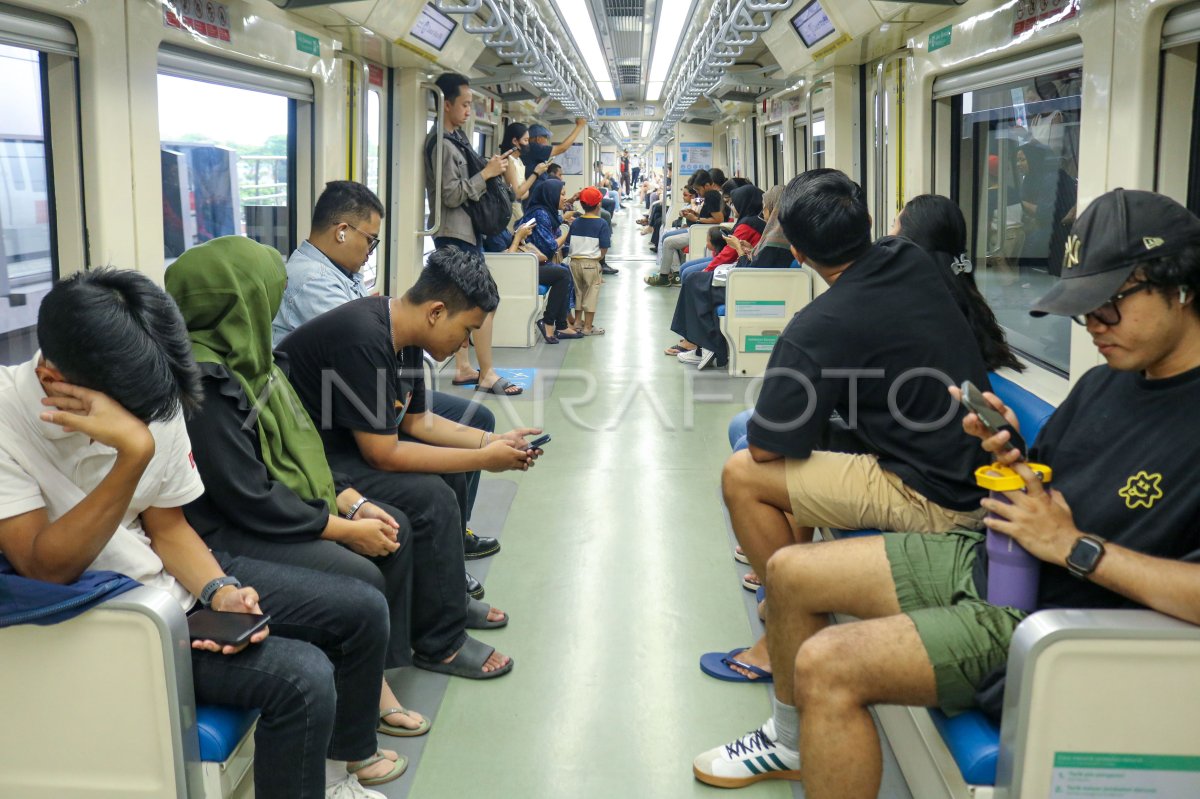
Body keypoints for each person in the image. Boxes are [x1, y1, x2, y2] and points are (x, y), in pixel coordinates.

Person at [692, 188, 1200, 797]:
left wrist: (1076, 547)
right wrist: (1014, 455)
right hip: (1002, 560)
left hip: (1055, 616)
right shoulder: (1106, 383)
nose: (1094, 327)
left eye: (1109, 306)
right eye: (1084, 311)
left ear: (1180, 286)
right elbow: (1054, 485)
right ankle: (791, 740)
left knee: (827, 662)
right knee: (792, 571)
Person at [0, 268, 399, 798]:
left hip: (168, 584)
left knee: (362, 608)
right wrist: (132, 455)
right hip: (107, 617)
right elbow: (43, 567)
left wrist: (220, 590)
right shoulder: (9, 422)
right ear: (55, 382)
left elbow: (167, 527)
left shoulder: (149, 393)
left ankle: (333, 778)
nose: (153, 423)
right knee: (303, 679)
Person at [703, 170, 992, 684]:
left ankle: (790, 613)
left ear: (798, 253)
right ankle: (792, 590)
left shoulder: (817, 328)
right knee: (757, 427)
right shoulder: (912, 260)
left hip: (934, 496)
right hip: (966, 463)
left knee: (742, 472)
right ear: (872, 223)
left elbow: (768, 449)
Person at [170, 236, 440, 741]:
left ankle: (372, 681)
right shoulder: (203, 386)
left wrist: (351, 501)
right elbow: (248, 497)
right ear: (243, 301)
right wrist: (340, 531)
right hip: (229, 532)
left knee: (392, 525)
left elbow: (305, 448)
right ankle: (349, 734)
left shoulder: (257, 360)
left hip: (278, 505)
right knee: (361, 577)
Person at [278, 248, 542, 678]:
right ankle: (441, 645)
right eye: (467, 331)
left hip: (347, 443)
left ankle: (448, 601)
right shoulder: (363, 337)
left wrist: (493, 441)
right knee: (432, 497)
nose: (466, 345)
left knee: (452, 471)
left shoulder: (406, 340)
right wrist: (483, 458)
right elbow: (382, 453)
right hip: (316, 460)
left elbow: (418, 422)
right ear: (437, 312)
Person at [273, 180, 500, 570]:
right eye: (370, 240)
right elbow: (355, 353)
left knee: (476, 421)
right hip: (328, 408)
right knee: (443, 474)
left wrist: (490, 444)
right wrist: (483, 454)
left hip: (357, 385)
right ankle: (446, 546)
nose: (370, 251)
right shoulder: (312, 282)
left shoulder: (346, 279)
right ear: (342, 230)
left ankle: (450, 541)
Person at [423, 72, 519, 396]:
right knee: (484, 302)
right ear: (445, 104)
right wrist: (488, 174)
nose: (468, 112)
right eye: (463, 105)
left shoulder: (458, 140)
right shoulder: (442, 145)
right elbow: (449, 195)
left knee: (463, 303)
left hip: (465, 232)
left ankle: (464, 367)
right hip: (454, 233)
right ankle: (487, 373)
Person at [892, 194, 1024, 372]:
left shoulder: (903, 313)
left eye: (894, 225)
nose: (889, 234)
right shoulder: (970, 306)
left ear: (908, 243)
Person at [670, 185, 790, 368]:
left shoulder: (775, 238)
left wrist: (740, 249)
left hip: (749, 287)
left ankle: (707, 344)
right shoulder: (778, 233)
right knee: (695, 280)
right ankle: (704, 344)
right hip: (754, 282)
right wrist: (749, 249)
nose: (763, 210)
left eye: (766, 206)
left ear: (773, 209)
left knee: (694, 282)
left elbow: (751, 273)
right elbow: (759, 264)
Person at [656, 169, 725, 280]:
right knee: (667, 238)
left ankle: (665, 277)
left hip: (701, 232)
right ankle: (669, 273)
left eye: (698, 189)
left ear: (707, 185)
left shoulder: (712, 196)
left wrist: (696, 219)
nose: (697, 193)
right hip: (698, 229)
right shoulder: (710, 195)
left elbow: (718, 219)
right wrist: (693, 213)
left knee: (668, 242)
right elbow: (708, 214)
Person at [566, 186, 611, 336]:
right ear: (599, 204)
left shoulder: (576, 222)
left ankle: (578, 322)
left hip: (574, 263)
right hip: (591, 264)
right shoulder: (602, 223)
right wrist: (597, 258)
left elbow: (569, 242)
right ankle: (588, 327)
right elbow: (604, 247)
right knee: (591, 294)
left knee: (578, 293)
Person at [500, 122, 547, 228]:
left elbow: (526, 192)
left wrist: (522, 191)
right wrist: (536, 173)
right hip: (510, 212)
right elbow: (517, 194)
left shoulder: (519, 161)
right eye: (525, 140)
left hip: (518, 208)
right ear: (515, 141)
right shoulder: (509, 161)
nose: (528, 144)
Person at [520, 120, 587, 190]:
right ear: (538, 139)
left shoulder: (529, 150)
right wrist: (580, 126)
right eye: (546, 138)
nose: (547, 142)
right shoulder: (534, 148)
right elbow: (562, 148)